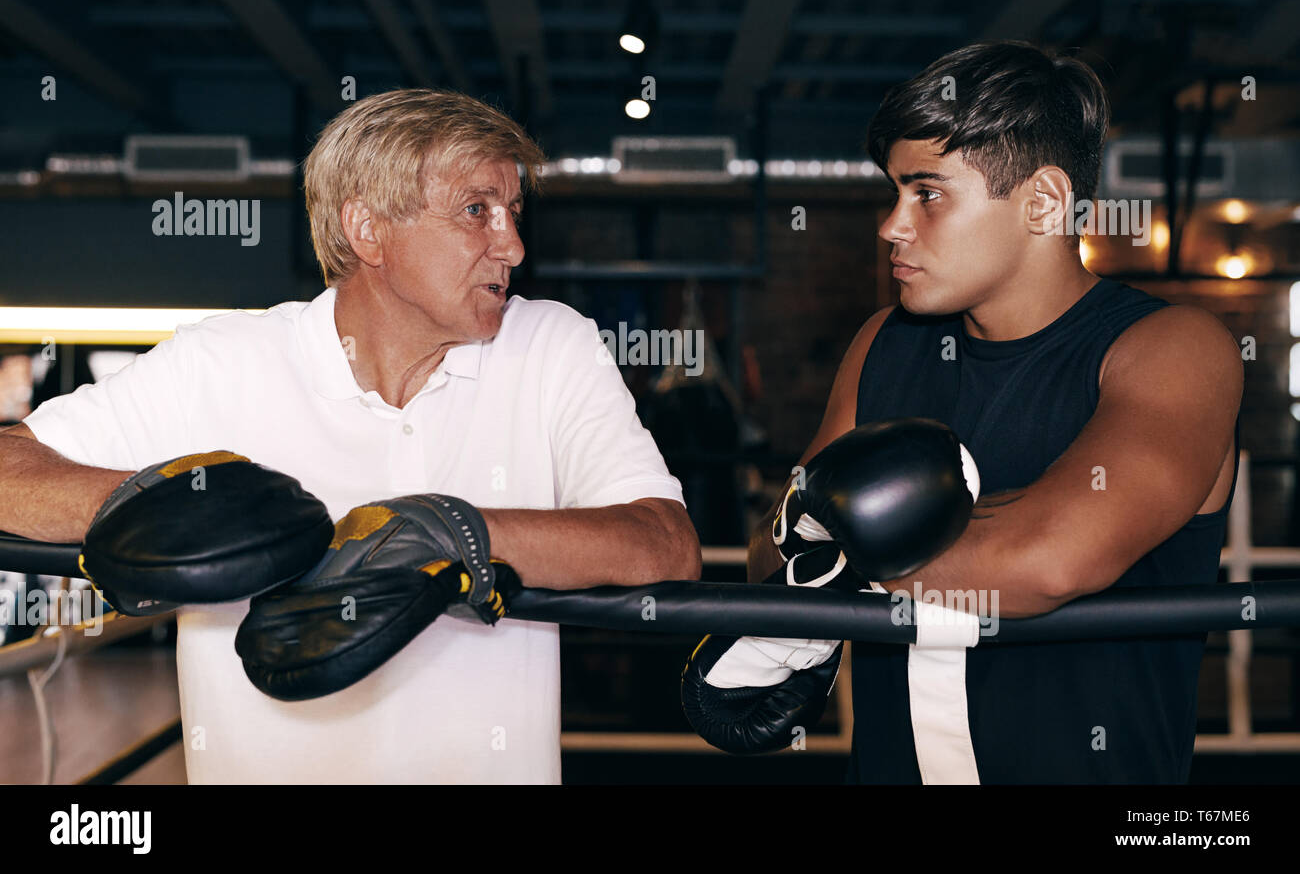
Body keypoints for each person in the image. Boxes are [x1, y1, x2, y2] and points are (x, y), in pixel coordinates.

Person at [0, 88, 700, 783]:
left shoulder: (549, 344)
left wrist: (462, 535)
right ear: (368, 231)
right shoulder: (222, 360)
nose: (512, 244)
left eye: (513, 212)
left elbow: (664, 544)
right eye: (476, 210)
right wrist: (154, 508)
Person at [748, 40, 1242, 783]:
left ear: (1042, 201)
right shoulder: (883, 344)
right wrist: (819, 553)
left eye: (928, 193)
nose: (891, 225)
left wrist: (830, 565)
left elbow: (1048, 559)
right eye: (894, 192)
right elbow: (772, 548)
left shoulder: (1172, 349)